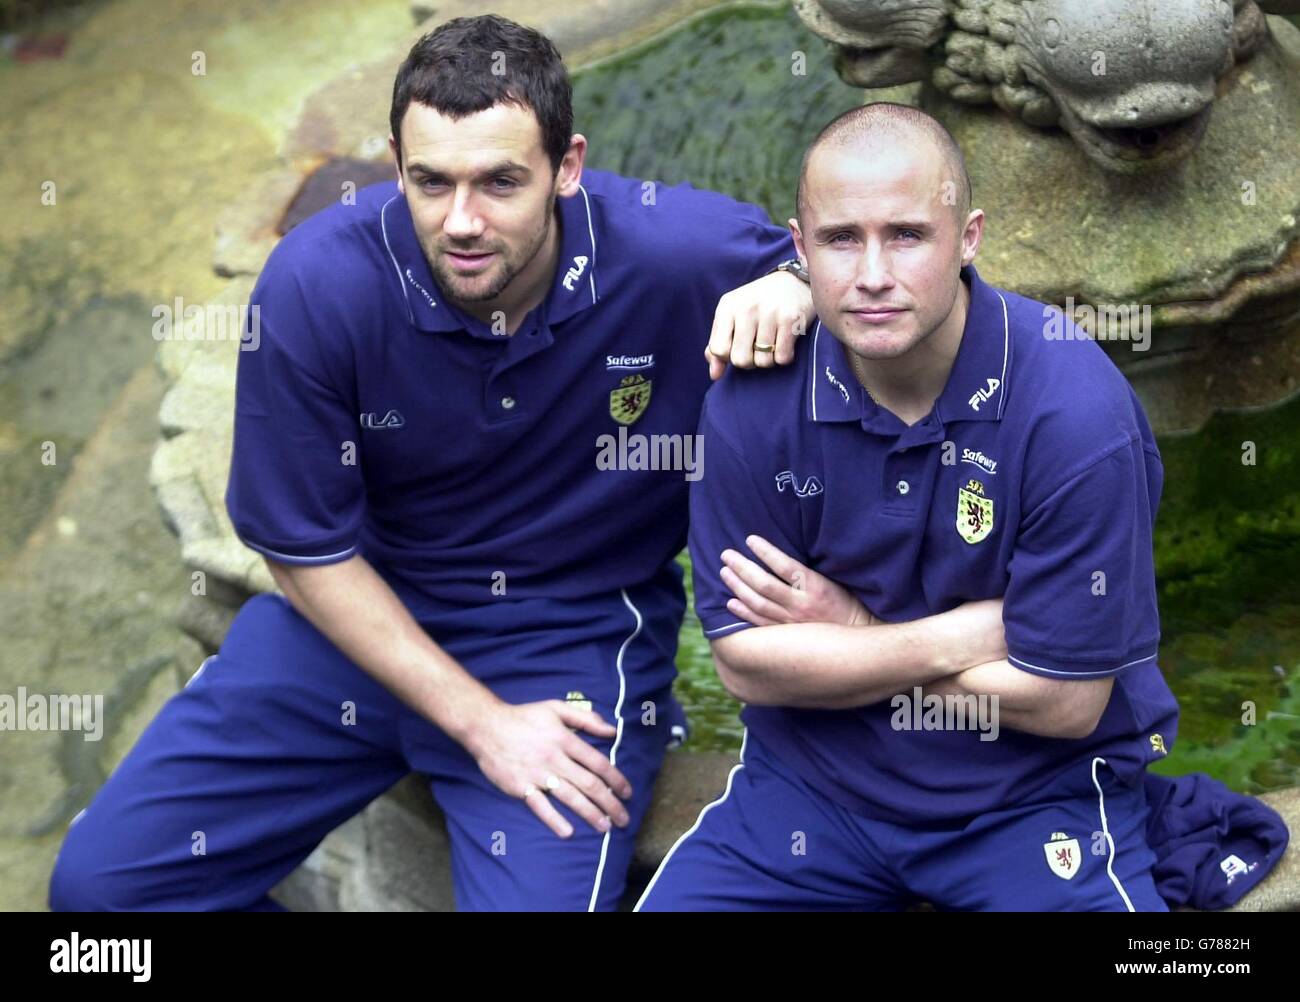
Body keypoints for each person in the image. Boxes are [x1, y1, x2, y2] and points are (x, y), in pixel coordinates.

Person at [48, 14, 814, 912]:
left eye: (499, 183)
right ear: (393, 162)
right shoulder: (317, 282)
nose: (462, 222)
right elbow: (304, 552)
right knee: (99, 896)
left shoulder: (672, 251)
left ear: (568, 167)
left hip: (566, 634)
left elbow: (893, 278)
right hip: (359, 620)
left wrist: (796, 285)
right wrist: (482, 724)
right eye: (430, 182)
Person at [637, 102, 1181, 912]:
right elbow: (747, 666)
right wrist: (960, 638)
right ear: (799, 248)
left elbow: (1066, 702)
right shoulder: (752, 402)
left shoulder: (1073, 414)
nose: (873, 275)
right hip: (809, 796)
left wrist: (854, 637)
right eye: (841, 239)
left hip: (1028, 802)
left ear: (969, 237)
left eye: (907, 235)